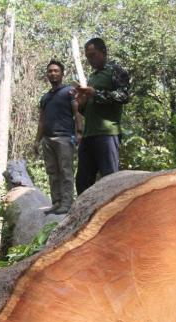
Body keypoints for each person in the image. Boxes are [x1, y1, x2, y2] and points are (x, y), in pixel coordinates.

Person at [74, 37, 130, 195]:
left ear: (103, 52)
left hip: (107, 134)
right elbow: (87, 110)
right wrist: (81, 101)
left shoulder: (115, 71)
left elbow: (124, 96)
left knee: (110, 180)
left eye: (93, 55)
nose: (90, 60)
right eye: (87, 57)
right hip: (89, 134)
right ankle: (84, 217)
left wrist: (96, 93)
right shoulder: (92, 76)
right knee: (83, 181)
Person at [35, 60, 83, 214]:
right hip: (47, 140)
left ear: (62, 73)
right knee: (52, 172)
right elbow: (42, 120)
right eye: (50, 71)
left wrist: (79, 133)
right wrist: (37, 140)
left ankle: (67, 203)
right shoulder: (45, 97)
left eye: (56, 71)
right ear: (47, 75)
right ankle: (56, 202)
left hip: (64, 138)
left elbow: (77, 113)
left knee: (65, 171)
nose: (53, 73)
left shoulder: (69, 92)